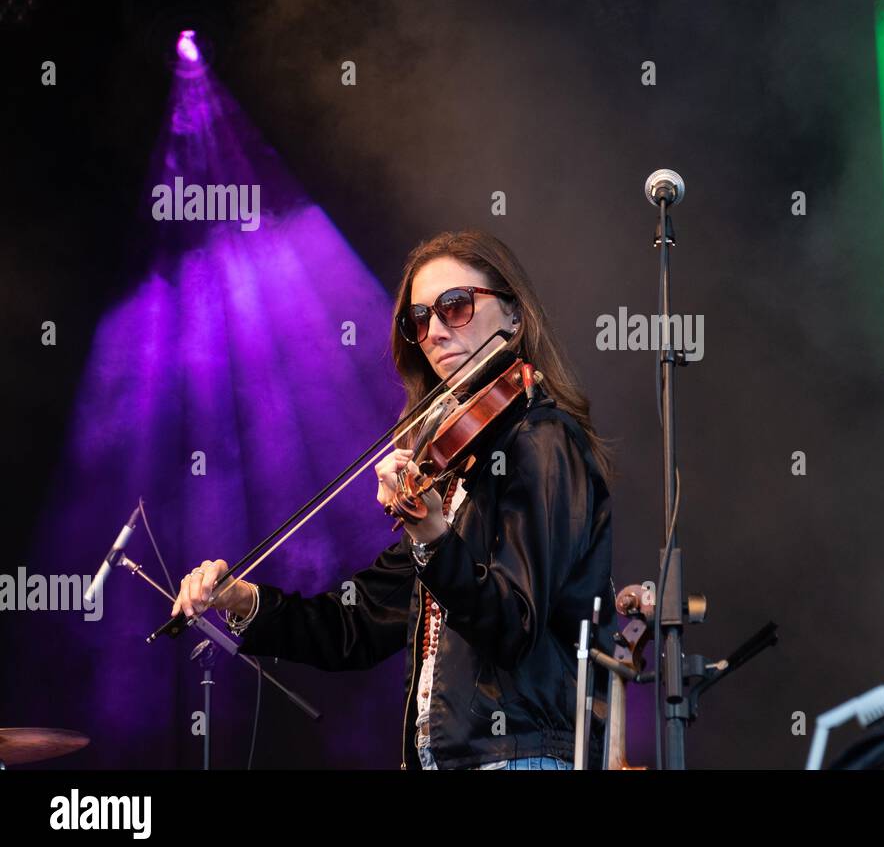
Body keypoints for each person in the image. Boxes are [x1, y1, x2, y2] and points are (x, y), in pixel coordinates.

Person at [171, 230, 615, 770]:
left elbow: (513, 624)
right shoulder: (454, 472)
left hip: (520, 755)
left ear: (514, 317)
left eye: (455, 306)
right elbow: (352, 626)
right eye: (418, 318)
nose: (433, 332)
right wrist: (242, 600)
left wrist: (432, 537)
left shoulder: (543, 440)